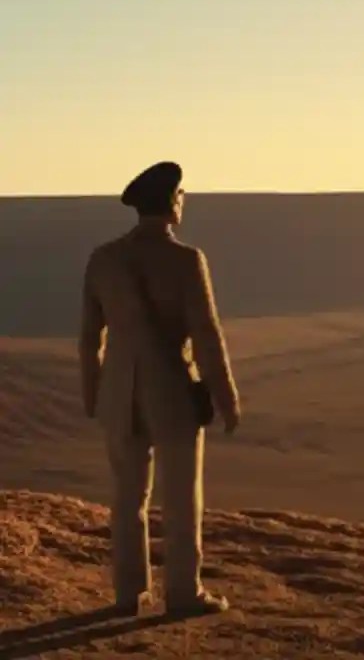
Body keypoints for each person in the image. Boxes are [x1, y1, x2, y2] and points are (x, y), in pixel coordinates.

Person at [78, 161, 242, 617]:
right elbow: (207, 336)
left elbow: (91, 337)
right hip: (172, 393)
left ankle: (128, 594)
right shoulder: (187, 261)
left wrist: (93, 395)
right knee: (181, 498)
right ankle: (184, 594)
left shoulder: (103, 259)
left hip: (118, 395)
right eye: (181, 194)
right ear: (172, 204)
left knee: (128, 498)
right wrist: (226, 398)